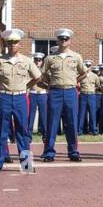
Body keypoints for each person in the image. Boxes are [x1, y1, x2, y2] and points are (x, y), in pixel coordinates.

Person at [0, 28, 39, 172]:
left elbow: (37, 77)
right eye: (10, 42)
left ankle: (26, 164)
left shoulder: (26, 61)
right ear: (6, 44)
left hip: (20, 98)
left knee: (22, 132)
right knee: (1, 132)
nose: (12, 45)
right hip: (4, 96)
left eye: (15, 42)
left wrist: (25, 87)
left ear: (20, 44)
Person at [41, 28, 87, 162]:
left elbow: (83, 72)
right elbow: (42, 75)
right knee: (52, 123)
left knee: (71, 122)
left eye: (66, 39)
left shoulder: (76, 57)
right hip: (55, 92)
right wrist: (50, 83)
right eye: (61, 38)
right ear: (57, 40)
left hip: (70, 91)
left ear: (70, 40)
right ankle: (49, 152)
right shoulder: (50, 58)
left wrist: (74, 81)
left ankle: (73, 151)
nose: (63, 41)